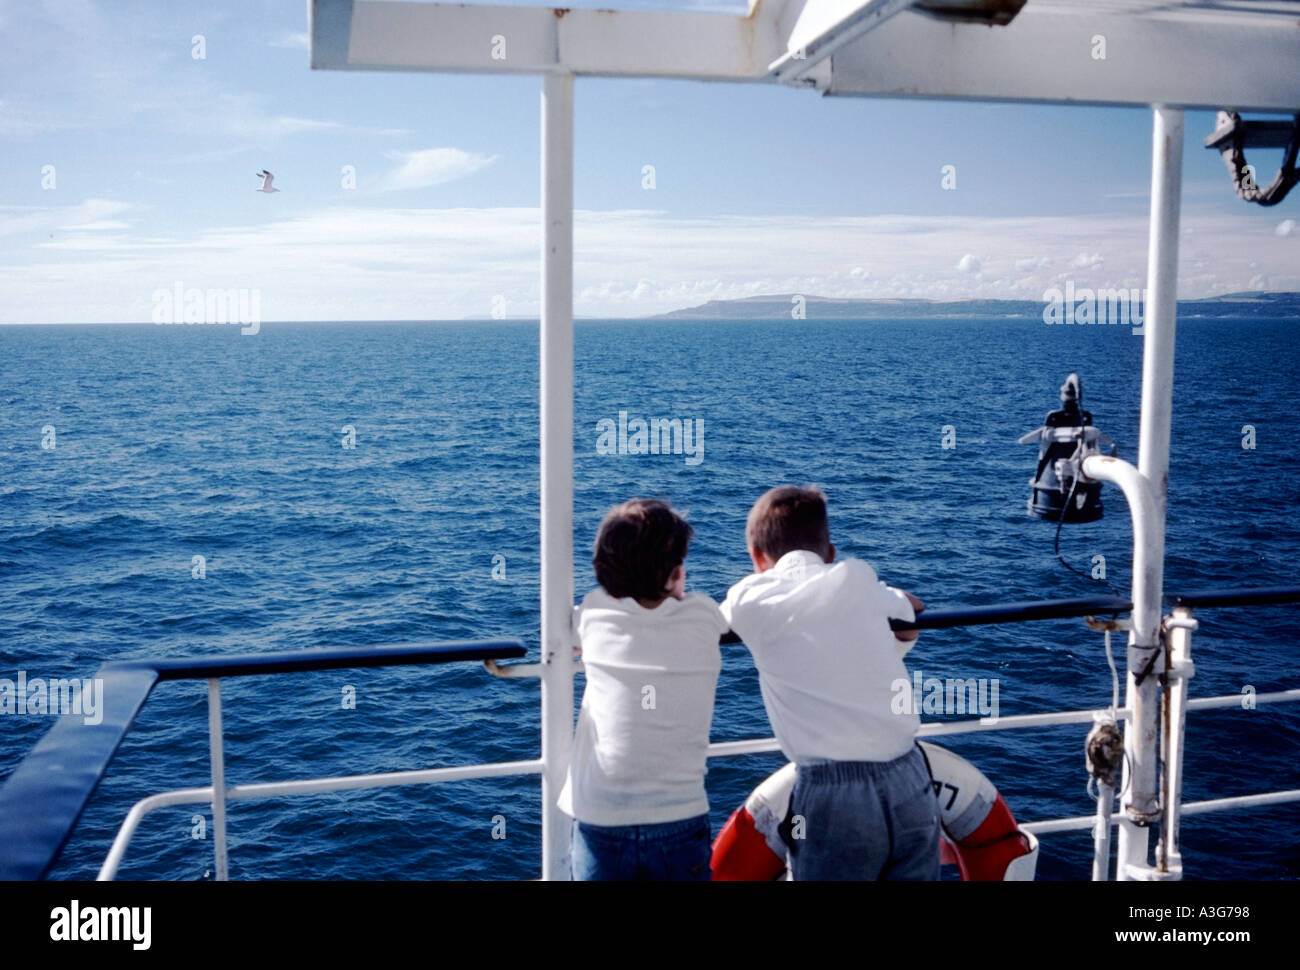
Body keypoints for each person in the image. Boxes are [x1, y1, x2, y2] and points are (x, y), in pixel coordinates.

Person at [720, 485, 939, 880]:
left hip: (833, 795)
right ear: (831, 553)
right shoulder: (858, 578)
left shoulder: (748, 598)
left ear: (756, 557)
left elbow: (711, 625)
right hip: (910, 775)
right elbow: (912, 611)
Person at [559, 498, 728, 880]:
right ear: (674, 575)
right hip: (680, 815)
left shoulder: (593, 614)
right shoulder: (703, 617)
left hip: (602, 816)